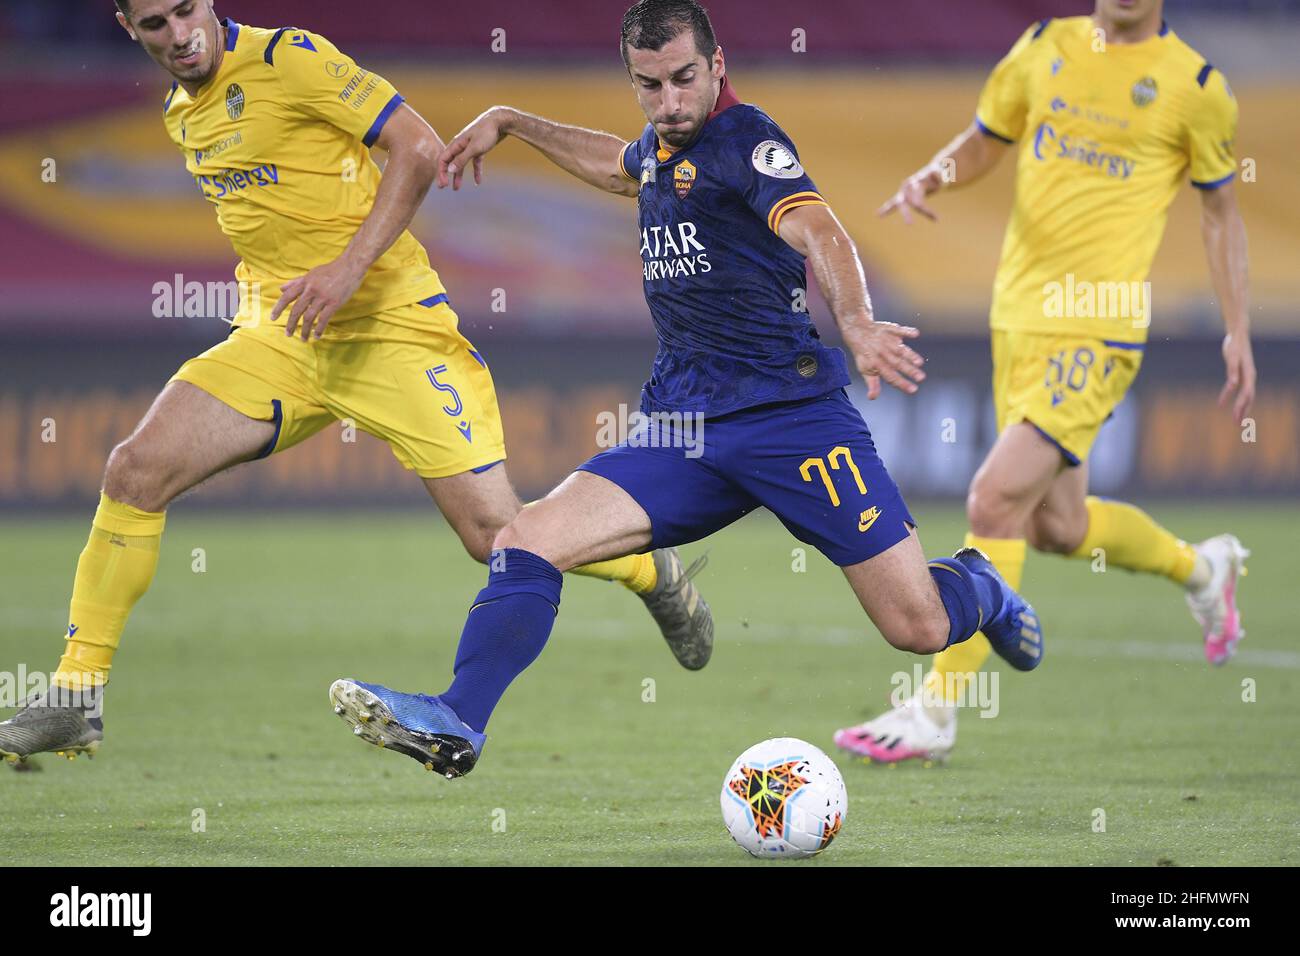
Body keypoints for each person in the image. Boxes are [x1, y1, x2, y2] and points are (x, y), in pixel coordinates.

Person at [329, 0, 1043, 780]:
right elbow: (618, 164)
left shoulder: (748, 140)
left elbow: (822, 230)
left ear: (717, 65)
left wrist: (860, 321)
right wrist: (511, 119)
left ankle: (985, 584)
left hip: (790, 421)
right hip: (682, 430)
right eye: (649, 85)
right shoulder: (662, 148)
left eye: (683, 79)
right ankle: (459, 716)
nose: (668, 103)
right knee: (521, 541)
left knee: (918, 625)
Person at [0, 0, 712, 766]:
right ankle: (77, 692)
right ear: (125, 27)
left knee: (494, 537)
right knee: (133, 470)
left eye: (185, 12)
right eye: (154, 25)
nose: (178, 35)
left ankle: (648, 567)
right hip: (284, 333)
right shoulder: (181, 109)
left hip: (391, 328)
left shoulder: (290, 59)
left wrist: (346, 269)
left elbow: (416, 147)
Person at [834, 0, 1253, 764]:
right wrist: (937, 172)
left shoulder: (1196, 85)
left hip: (1101, 325)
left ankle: (936, 711)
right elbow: (987, 139)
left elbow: (1221, 213)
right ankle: (1206, 566)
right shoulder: (1043, 48)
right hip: (1019, 318)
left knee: (992, 498)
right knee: (1057, 527)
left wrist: (1236, 328)